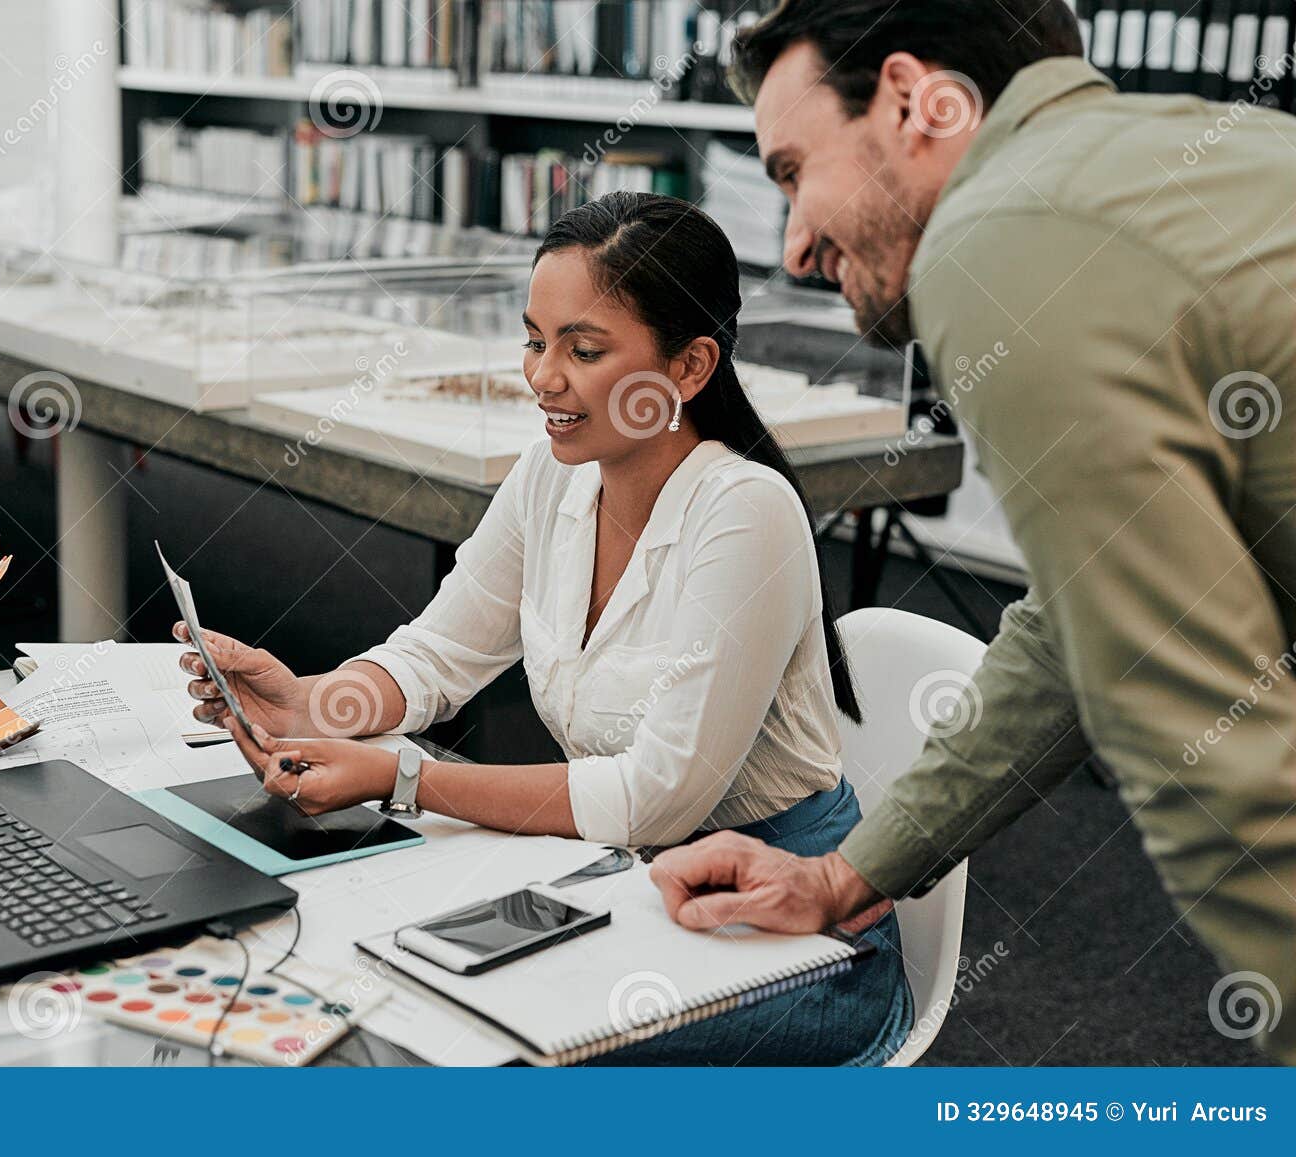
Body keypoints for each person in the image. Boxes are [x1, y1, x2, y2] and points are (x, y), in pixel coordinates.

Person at [650, 0, 1296, 1063]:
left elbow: (1210, 749)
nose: (795, 243)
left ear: (911, 100)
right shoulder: (1194, 156)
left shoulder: (1001, 239)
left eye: (792, 173)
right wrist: (844, 875)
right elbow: (1075, 632)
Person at [176, 191, 912, 1064]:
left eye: (583, 350)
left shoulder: (746, 512)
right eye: (535, 340)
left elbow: (655, 795)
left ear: (689, 366)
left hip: (784, 933)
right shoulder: (552, 475)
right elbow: (440, 651)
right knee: (374, 990)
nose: (542, 377)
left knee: (474, 1056)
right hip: (627, 884)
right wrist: (315, 703)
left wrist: (406, 777)